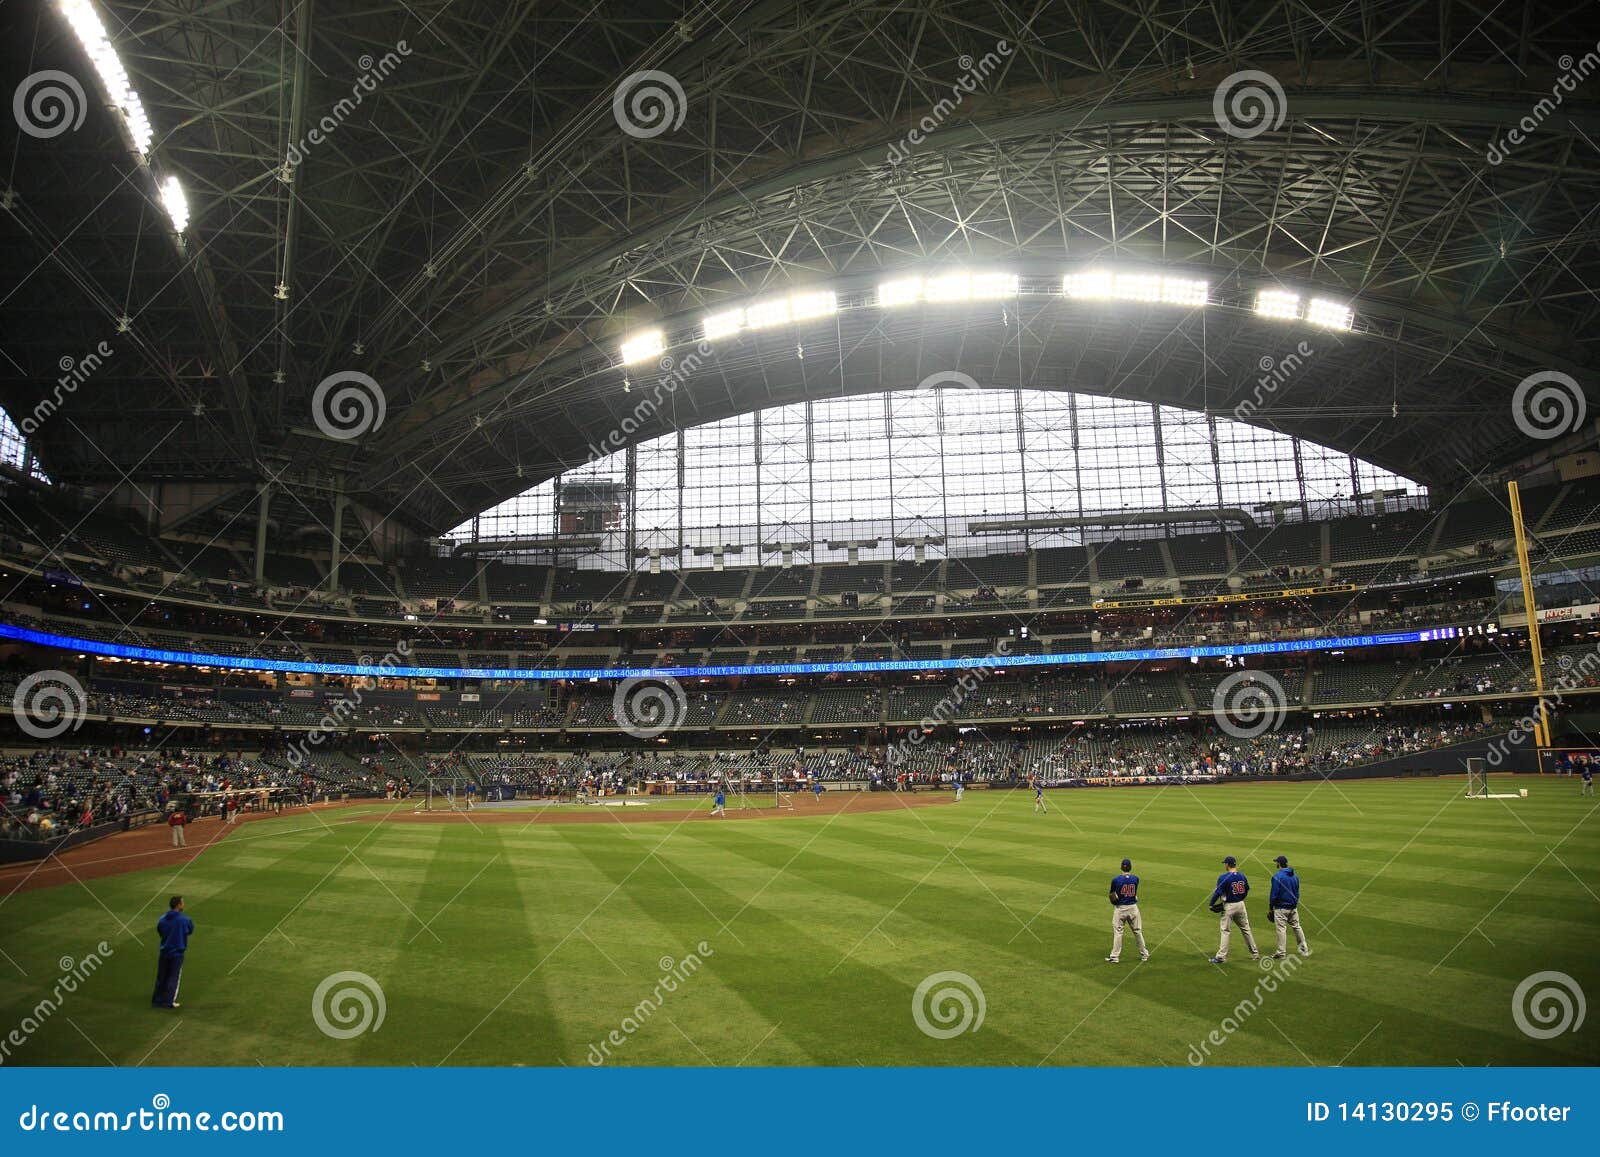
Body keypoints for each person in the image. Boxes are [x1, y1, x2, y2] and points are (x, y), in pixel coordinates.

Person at [1207, 855, 1259, 964]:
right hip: (1241, 905)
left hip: (1229, 906)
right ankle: (1255, 954)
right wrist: (1241, 899)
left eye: (1225, 864)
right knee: (1246, 929)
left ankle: (1221, 957)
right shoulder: (1242, 876)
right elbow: (1246, 890)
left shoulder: (1223, 877)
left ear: (1227, 864)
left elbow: (1217, 892)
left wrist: (1211, 904)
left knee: (1225, 931)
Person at [151, 895, 194, 1009]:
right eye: (182, 902)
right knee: (173, 977)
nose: (183, 904)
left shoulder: (162, 918)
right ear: (179, 905)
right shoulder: (185, 920)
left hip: (164, 952)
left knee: (161, 976)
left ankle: (157, 1000)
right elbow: (190, 930)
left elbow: (160, 930)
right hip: (177, 954)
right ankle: (168, 1001)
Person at [1106, 857, 1150, 963]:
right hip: (1133, 908)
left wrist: (1115, 901)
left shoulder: (1116, 880)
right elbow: (1134, 894)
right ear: (1130, 867)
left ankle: (1115, 957)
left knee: (1118, 932)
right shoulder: (1136, 878)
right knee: (1137, 931)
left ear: (1121, 867)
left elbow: (1112, 894)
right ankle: (1145, 954)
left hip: (1120, 909)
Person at [1268, 854, 1311, 959]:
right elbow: (1297, 892)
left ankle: (1281, 953)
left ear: (1279, 863)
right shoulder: (1295, 876)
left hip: (1281, 908)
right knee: (1297, 926)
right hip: (1293, 906)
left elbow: (1274, 894)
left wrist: (1270, 907)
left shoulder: (1277, 876)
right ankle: (1304, 950)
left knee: (1281, 929)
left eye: (1276, 862)